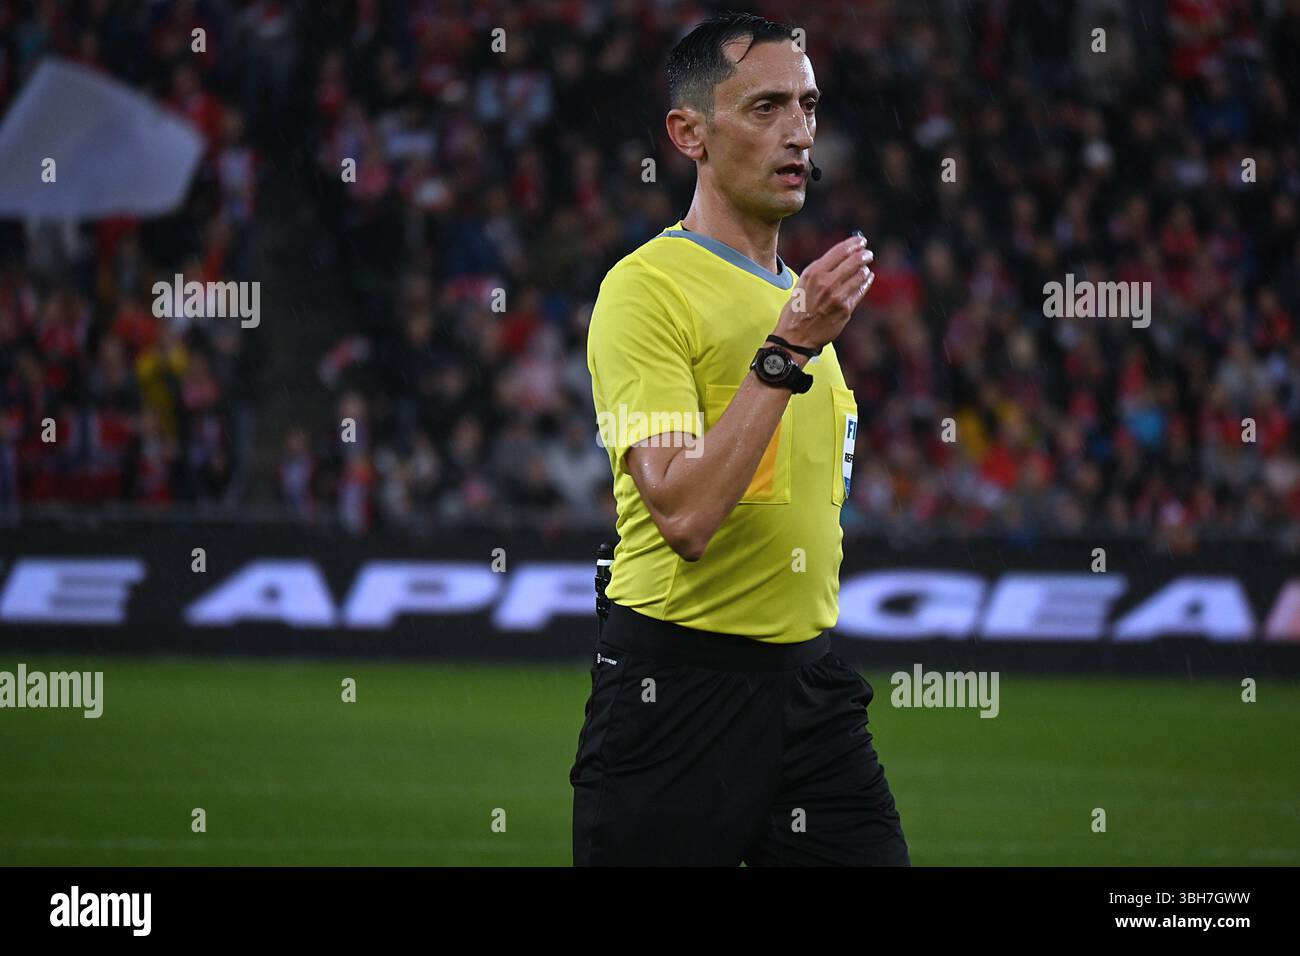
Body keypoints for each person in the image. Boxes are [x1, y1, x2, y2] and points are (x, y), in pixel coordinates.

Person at [570, 11, 908, 866]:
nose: (798, 132)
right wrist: (789, 348)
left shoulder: (801, 298)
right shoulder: (645, 290)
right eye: (764, 108)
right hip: (676, 695)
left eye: (808, 105)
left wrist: (795, 335)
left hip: (812, 692)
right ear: (689, 133)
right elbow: (682, 516)